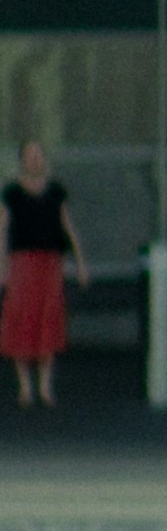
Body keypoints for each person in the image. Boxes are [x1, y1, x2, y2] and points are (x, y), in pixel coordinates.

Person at [1, 142, 78, 407]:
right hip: (22, 263)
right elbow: (2, 230)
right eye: (29, 156)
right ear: (22, 160)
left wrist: (79, 262)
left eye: (38, 156)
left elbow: (66, 227)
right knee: (21, 319)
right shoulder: (11, 193)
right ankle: (25, 387)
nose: (34, 161)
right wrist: (2, 267)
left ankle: (45, 387)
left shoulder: (56, 191)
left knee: (48, 319)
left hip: (50, 263)